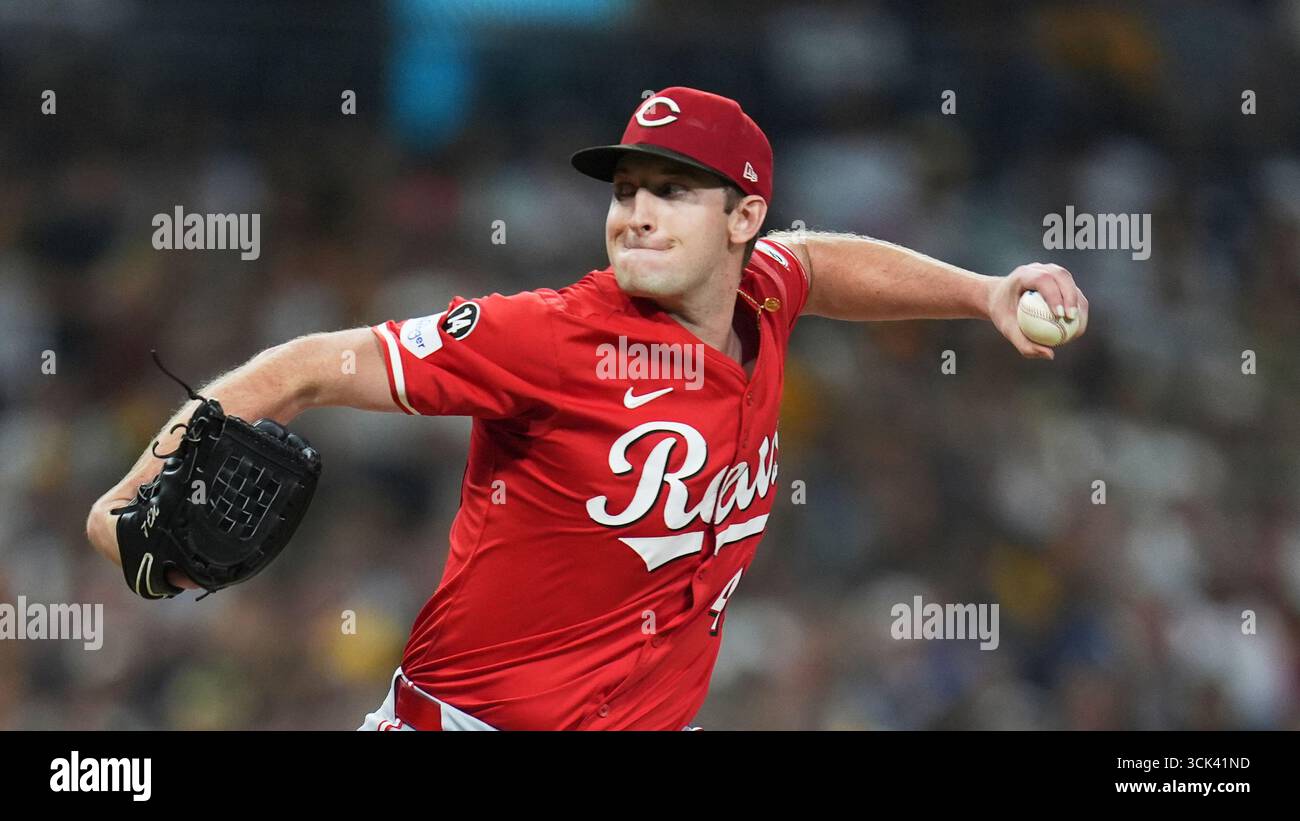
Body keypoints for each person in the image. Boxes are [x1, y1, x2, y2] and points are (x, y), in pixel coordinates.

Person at [86, 86, 1088, 730]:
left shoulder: (763, 292)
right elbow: (308, 363)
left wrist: (983, 289)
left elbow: (820, 259)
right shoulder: (549, 336)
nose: (634, 210)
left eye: (671, 190)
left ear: (743, 219)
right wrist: (122, 498)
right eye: (626, 189)